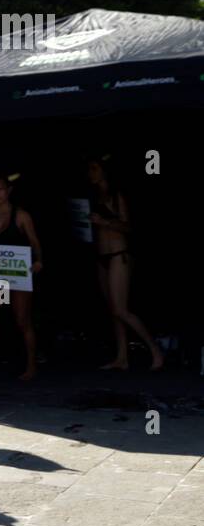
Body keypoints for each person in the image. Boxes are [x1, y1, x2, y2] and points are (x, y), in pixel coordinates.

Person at [87, 156, 163, 370]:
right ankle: (122, 357)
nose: (91, 173)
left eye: (94, 168)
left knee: (121, 309)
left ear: (104, 171)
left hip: (118, 254)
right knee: (113, 309)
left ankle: (154, 348)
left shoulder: (115, 195)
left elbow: (128, 226)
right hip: (101, 256)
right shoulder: (96, 196)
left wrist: (104, 222)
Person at [0, 173, 43, 380]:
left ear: (9, 190)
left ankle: (31, 365)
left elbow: (35, 243)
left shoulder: (21, 216)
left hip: (17, 278)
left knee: (23, 321)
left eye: (0, 188)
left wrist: (38, 261)